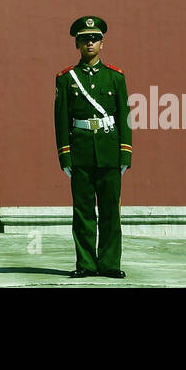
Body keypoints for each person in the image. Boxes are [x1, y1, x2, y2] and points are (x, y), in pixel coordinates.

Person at [55, 15, 132, 279]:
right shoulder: (66, 79)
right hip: (81, 153)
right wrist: (65, 156)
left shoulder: (116, 78)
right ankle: (86, 264)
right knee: (83, 213)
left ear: (102, 43)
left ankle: (110, 263)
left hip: (110, 153)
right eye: (85, 39)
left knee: (111, 212)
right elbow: (61, 120)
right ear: (77, 43)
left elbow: (124, 117)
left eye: (94, 39)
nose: (90, 43)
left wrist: (125, 153)